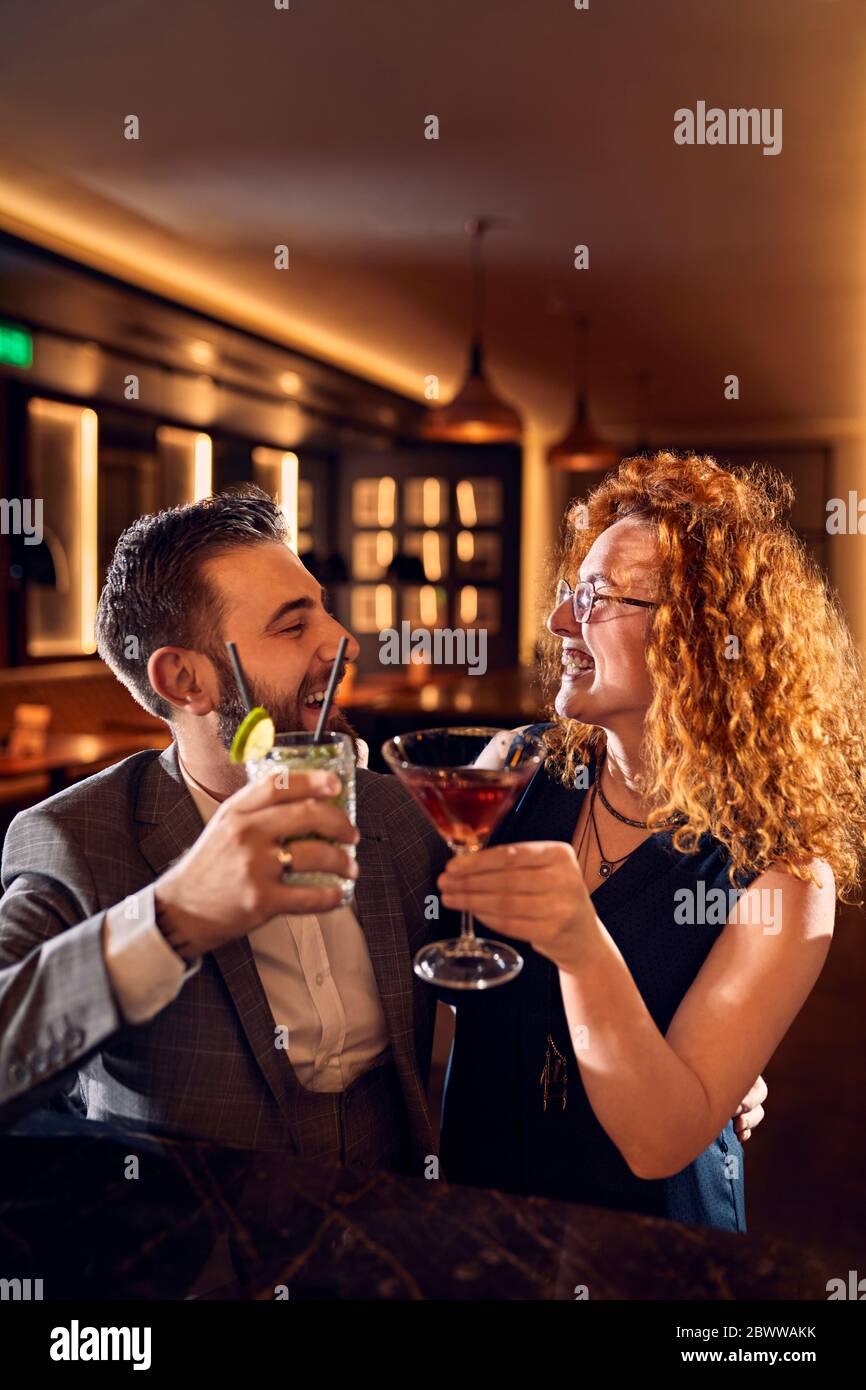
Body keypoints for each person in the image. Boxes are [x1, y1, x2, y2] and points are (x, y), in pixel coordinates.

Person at [436, 452, 866, 1231]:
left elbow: (661, 1140)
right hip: (477, 1228)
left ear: (699, 634)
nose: (562, 622)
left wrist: (581, 943)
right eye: (572, 593)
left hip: (653, 1255)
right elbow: (423, 985)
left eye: (597, 598)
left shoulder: (785, 876)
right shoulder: (511, 770)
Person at [0, 487, 448, 1177]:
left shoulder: (399, 815)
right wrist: (172, 918)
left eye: (324, 611)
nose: (345, 642)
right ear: (185, 679)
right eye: (294, 627)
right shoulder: (77, 838)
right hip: (188, 1264)